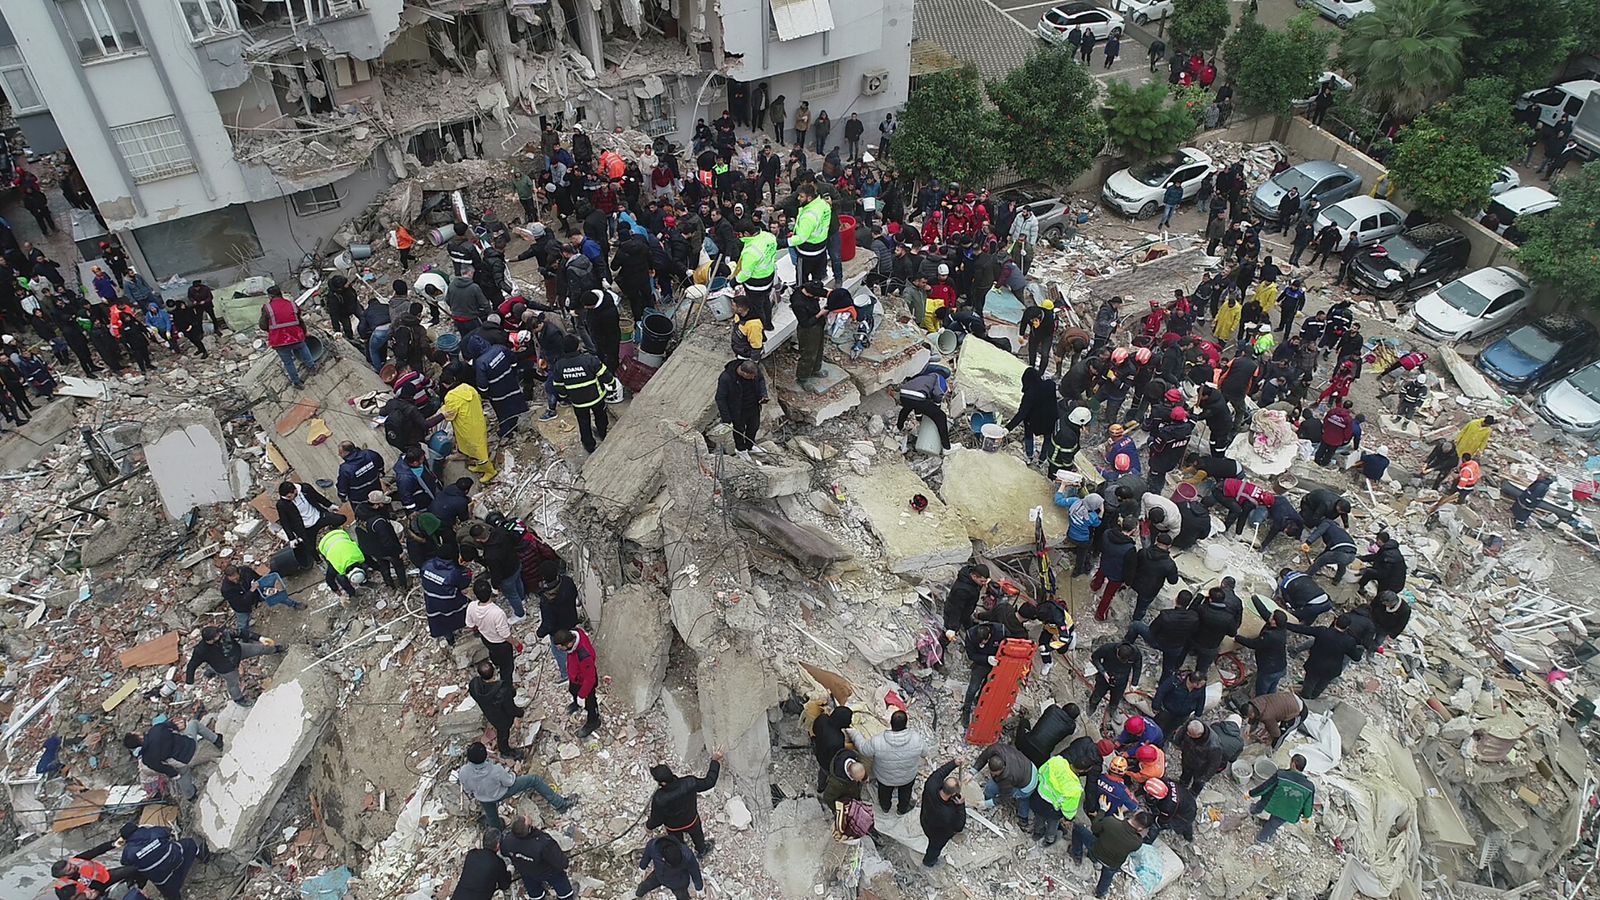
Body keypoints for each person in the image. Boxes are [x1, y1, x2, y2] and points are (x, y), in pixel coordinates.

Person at [458, 741, 574, 830]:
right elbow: (510, 782)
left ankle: (498, 832)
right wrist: (512, 773)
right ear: (485, 756)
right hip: (502, 792)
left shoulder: (463, 771)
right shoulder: (495, 770)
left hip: (483, 797)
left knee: (492, 817)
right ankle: (560, 804)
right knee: (534, 780)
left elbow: (468, 790)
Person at [123, 717, 223, 801]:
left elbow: (165, 769)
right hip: (192, 747)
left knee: (182, 773)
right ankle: (217, 740)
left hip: (182, 762)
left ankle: (191, 796)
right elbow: (175, 726)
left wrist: (175, 774)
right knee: (194, 723)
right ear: (138, 736)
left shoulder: (147, 759)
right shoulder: (156, 730)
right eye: (134, 732)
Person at [847, 710, 925, 815]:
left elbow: (863, 749)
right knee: (905, 793)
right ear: (905, 724)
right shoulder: (916, 739)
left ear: (891, 723)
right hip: (907, 777)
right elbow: (925, 753)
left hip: (884, 778)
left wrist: (854, 733)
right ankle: (902, 810)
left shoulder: (878, 741)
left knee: (884, 794)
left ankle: (885, 808)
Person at [647, 750, 724, 856]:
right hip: (691, 820)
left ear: (662, 783)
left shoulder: (659, 798)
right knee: (698, 837)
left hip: (673, 827)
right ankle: (702, 850)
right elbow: (709, 782)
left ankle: (683, 855)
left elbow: (657, 820)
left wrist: (649, 826)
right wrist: (715, 761)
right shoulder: (689, 782)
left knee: (677, 843)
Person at [184, 625, 283, 707]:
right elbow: (192, 665)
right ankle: (238, 699)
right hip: (226, 669)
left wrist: (260, 638)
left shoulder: (224, 632)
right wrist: (189, 682)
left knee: (259, 649)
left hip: (238, 651)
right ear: (209, 640)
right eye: (217, 636)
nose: (220, 635)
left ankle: (276, 649)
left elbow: (242, 632)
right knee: (233, 684)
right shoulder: (201, 651)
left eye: (218, 633)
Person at [550, 335, 610, 454]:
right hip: (596, 397)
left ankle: (589, 446)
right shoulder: (589, 359)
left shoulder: (559, 365)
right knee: (601, 416)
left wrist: (564, 397)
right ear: (578, 346)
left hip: (578, 402)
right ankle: (603, 433)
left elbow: (558, 385)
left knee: (583, 423)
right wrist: (612, 384)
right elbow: (604, 374)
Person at [118, 823, 207, 900]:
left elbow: (125, 862)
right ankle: (203, 856)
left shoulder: (128, 852)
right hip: (175, 859)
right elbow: (167, 832)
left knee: (171, 893)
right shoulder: (153, 832)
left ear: (126, 839)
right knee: (189, 843)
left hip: (161, 877)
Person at [1070, 810, 1148, 898]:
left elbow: (1094, 828)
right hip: (1112, 864)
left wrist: (1102, 811)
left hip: (1096, 850)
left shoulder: (1111, 821)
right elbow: (1124, 836)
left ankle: (1077, 856)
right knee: (1107, 877)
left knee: (1078, 828)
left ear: (1135, 815)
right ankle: (1100, 893)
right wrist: (1122, 822)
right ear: (1140, 829)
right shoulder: (1137, 842)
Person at [1286, 613, 1364, 699]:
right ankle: (1314, 697)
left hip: (1315, 664)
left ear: (1335, 621)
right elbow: (1356, 657)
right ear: (1347, 627)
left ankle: (1305, 696)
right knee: (1322, 685)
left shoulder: (1322, 631)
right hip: (1332, 669)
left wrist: (1285, 624)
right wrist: (1360, 649)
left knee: (1310, 682)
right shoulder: (1349, 641)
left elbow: (1302, 629)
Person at [441, 367, 498, 482]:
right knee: (480, 446)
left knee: (477, 450)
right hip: (478, 421)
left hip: (466, 427)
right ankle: (480, 466)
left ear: (445, 384)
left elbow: (450, 415)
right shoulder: (467, 387)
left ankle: (490, 471)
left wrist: (443, 410)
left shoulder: (450, 397)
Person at [499, 816, 574, 900]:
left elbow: (505, 852)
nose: (527, 815)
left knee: (534, 892)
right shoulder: (543, 842)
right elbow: (561, 862)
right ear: (530, 828)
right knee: (561, 884)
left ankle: (538, 896)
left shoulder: (507, 840)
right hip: (549, 872)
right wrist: (565, 864)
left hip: (526, 872)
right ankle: (566, 896)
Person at [1248, 754, 1315, 844]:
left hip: (1274, 802)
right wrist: (1307, 816)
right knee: (1273, 824)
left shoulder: (1281, 775)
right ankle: (1261, 839)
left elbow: (1265, 787)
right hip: (1289, 811)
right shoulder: (1309, 787)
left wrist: (1251, 793)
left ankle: (1254, 810)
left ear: (1293, 764)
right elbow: (1308, 804)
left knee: (1267, 796)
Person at [258, 285, 315, 388]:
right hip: (295, 336)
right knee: (303, 347)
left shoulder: (267, 308)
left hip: (279, 340)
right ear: (281, 293)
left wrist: (271, 330)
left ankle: (297, 382)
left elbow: (263, 325)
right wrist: (304, 332)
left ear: (270, 296)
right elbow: (299, 320)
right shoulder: (292, 304)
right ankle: (312, 367)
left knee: (288, 362)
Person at [469, 659, 525, 759]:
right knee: (503, 733)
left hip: (488, 712)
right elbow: (510, 709)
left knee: (500, 729)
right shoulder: (502, 690)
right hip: (502, 719)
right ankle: (505, 751)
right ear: (494, 672)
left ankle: (504, 749)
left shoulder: (474, 684)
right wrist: (520, 713)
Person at [1173, 716, 1243, 796]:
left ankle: (1192, 795)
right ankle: (1181, 787)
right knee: (1185, 776)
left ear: (1198, 735)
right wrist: (1178, 742)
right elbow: (1183, 731)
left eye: (1190, 734)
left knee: (1197, 783)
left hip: (1201, 768)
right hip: (1188, 759)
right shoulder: (1195, 724)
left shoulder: (1214, 746)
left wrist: (1204, 778)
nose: (1187, 734)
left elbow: (1214, 765)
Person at [973, 742, 1038, 826]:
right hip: (1030, 768)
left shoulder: (1007, 777)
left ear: (1003, 768)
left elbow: (1005, 797)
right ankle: (1023, 817)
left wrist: (986, 804)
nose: (993, 775)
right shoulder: (996, 749)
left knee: (1020, 797)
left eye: (995, 774)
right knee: (1024, 799)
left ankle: (987, 798)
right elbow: (984, 756)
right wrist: (972, 771)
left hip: (1026, 786)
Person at [466, 577, 517, 680]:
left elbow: (470, 625)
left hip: (486, 638)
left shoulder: (471, 606)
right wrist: (516, 643)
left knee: (493, 653)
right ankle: (506, 682)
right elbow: (505, 635)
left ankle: (496, 663)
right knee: (507, 666)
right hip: (501, 644)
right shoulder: (497, 613)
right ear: (490, 592)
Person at [554, 627, 601, 737]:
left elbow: (590, 679)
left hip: (585, 682)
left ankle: (594, 721)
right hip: (576, 677)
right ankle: (577, 703)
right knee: (572, 690)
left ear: (569, 644)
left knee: (590, 703)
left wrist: (582, 695)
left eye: (560, 647)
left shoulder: (584, 656)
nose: (559, 649)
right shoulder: (576, 633)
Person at [1029, 753, 1085, 845]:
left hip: (1040, 797)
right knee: (1052, 825)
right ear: (1083, 770)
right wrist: (1068, 819)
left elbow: (1041, 771)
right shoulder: (1075, 788)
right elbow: (1069, 808)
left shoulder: (1057, 761)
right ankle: (1049, 840)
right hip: (1054, 810)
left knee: (1039, 818)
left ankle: (1038, 833)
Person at [921, 761, 968, 867]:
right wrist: (960, 806)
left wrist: (954, 763)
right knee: (934, 848)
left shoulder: (931, 786)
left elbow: (940, 773)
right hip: (937, 835)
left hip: (925, 819)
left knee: (933, 842)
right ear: (953, 794)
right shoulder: (948, 813)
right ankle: (929, 862)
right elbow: (959, 826)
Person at [422, 552, 472, 646]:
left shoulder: (427, 565)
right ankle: (471, 625)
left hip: (432, 601)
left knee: (440, 622)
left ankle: (450, 640)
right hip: (449, 601)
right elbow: (464, 584)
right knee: (460, 614)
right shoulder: (453, 571)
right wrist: (466, 570)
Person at [1087, 638, 1142, 722]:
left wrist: (1134, 683)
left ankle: (1112, 709)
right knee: (1097, 694)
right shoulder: (1108, 648)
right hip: (1104, 677)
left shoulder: (1136, 654)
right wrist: (1103, 672)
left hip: (1121, 681)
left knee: (1116, 698)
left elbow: (1137, 667)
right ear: (1117, 651)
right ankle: (1092, 705)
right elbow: (1095, 657)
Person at [961, 621, 1005, 726]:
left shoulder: (1001, 631)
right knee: (973, 688)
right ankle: (966, 709)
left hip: (996, 663)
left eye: (984, 642)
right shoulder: (971, 636)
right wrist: (986, 659)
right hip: (981, 663)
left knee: (987, 686)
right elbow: (971, 655)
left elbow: (1007, 645)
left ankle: (980, 702)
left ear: (990, 635)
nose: (982, 644)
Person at [897, 367, 951, 451]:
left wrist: (919, 418)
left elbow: (918, 405)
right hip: (918, 396)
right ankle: (947, 447)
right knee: (941, 416)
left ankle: (899, 427)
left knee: (907, 408)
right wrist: (937, 406)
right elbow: (938, 393)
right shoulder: (940, 378)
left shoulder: (924, 377)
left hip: (903, 394)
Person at [636, 835, 703, 900]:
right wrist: (642, 867)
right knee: (644, 886)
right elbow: (647, 855)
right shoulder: (654, 846)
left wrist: (699, 888)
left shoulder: (687, 855)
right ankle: (637, 895)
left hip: (679, 883)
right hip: (659, 875)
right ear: (663, 859)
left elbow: (695, 871)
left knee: (682, 897)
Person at [316, 526, 368, 600]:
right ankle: (351, 593)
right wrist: (338, 593)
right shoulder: (336, 567)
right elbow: (329, 580)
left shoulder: (359, 556)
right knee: (341, 578)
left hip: (340, 534)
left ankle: (361, 583)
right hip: (324, 542)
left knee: (364, 564)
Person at [1301, 516, 1358, 582]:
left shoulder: (1327, 523)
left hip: (1341, 552)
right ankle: (1336, 581)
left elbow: (1318, 532)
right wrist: (1317, 558)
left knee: (1320, 562)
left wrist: (1308, 542)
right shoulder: (1338, 531)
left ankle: (1306, 576)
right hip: (1352, 555)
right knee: (1342, 565)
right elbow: (1328, 550)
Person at [1152, 670, 1207, 736]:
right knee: (1157, 727)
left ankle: (1162, 742)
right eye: (1201, 684)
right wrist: (1156, 706)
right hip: (1167, 710)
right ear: (1195, 683)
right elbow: (1161, 691)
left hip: (1182, 715)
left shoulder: (1200, 688)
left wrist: (1198, 714)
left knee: (1169, 730)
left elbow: (1201, 699)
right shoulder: (1176, 681)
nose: (1203, 686)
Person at [1428, 452, 1481, 517]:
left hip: (1466, 486)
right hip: (1472, 483)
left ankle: (1458, 504)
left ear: (1463, 459)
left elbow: (1463, 481)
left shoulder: (1466, 470)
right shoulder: (1474, 463)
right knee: (1460, 492)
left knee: (1460, 496)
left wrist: (1458, 489)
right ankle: (1455, 498)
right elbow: (1478, 474)